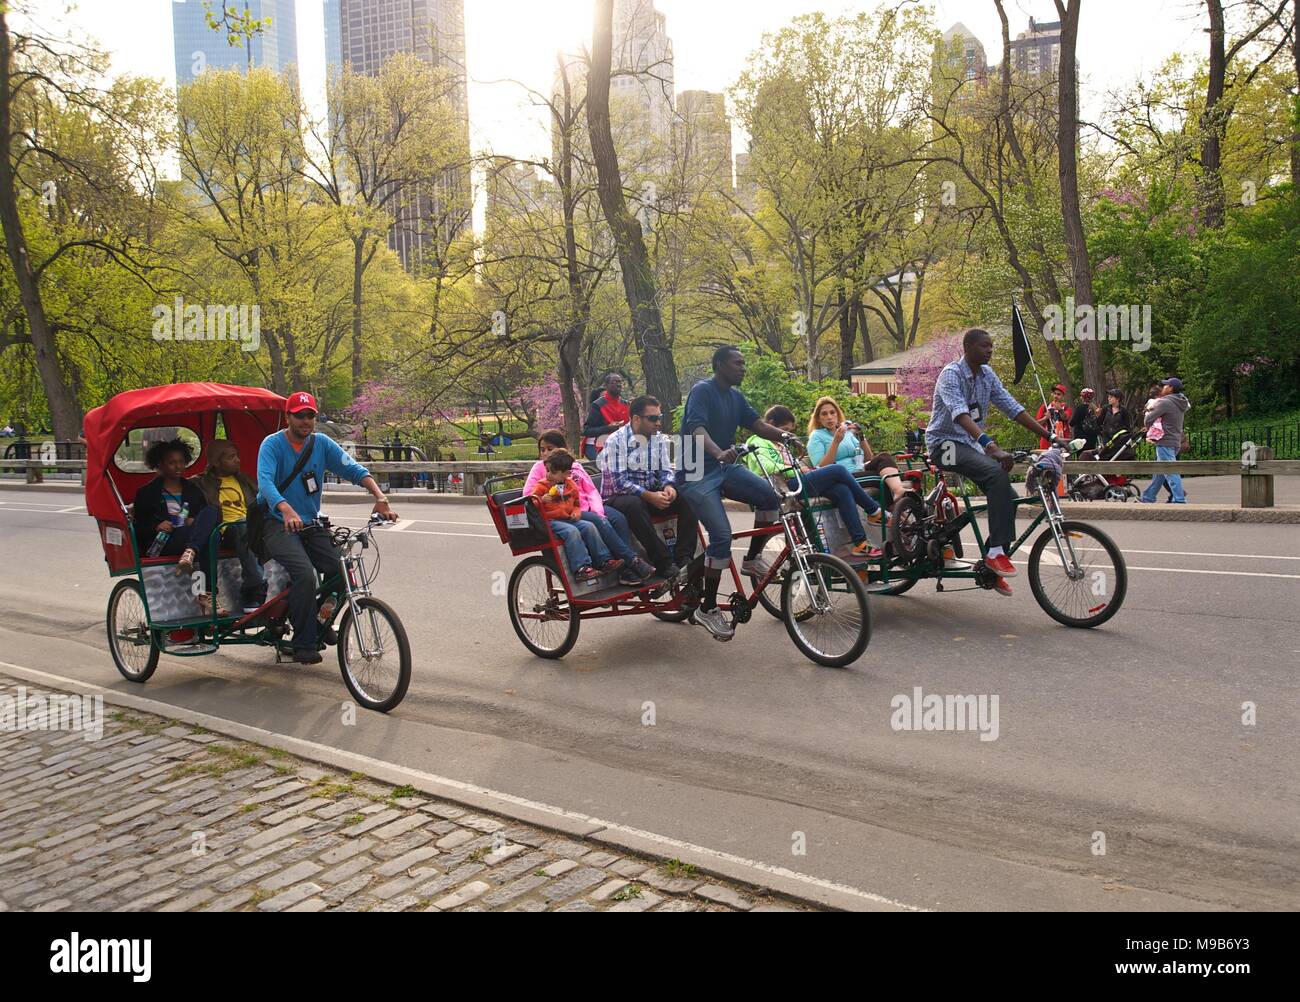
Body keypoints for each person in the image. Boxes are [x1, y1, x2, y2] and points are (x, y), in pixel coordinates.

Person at [257, 391, 397, 665]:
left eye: (310, 416)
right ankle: (304, 642)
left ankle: (321, 618)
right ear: (288, 417)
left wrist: (380, 497)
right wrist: (285, 509)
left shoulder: (321, 443)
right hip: (277, 524)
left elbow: (354, 470)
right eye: (299, 416)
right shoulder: (272, 445)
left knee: (341, 569)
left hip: (311, 523)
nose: (306, 421)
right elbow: (265, 482)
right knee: (305, 574)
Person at [925, 328, 1063, 598]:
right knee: (995, 474)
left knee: (1007, 496)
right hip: (945, 446)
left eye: (991, 347)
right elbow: (961, 415)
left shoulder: (988, 375)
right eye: (984, 346)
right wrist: (991, 446)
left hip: (971, 445)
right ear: (968, 348)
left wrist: (1051, 436)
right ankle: (997, 554)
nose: (989, 351)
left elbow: (1013, 408)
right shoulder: (951, 375)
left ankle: (992, 559)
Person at [676, 346, 796, 641]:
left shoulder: (735, 396)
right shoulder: (702, 391)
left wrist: (786, 436)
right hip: (696, 472)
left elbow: (756, 424)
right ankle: (707, 608)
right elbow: (696, 428)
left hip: (722, 466)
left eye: (744, 363)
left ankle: (752, 559)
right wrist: (718, 453)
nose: (742, 368)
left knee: (769, 498)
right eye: (737, 363)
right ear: (719, 365)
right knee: (721, 535)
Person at [744, 406, 882, 560]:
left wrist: (802, 468)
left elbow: (793, 464)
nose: (783, 435)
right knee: (837, 470)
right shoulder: (757, 441)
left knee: (842, 490)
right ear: (770, 424)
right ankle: (874, 511)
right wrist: (796, 470)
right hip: (782, 487)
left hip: (796, 482)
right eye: (783, 430)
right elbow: (768, 467)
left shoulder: (780, 444)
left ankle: (860, 543)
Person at [523, 430, 655, 586]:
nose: (545, 453)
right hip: (566, 511)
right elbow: (529, 495)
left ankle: (625, 568)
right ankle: (630, 563)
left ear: (562, 450)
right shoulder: (542, 469)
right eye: (542, 449)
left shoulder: (575, 467)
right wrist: (544, 497)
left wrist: (598, 509)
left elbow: (591, 490)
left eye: (550, 449)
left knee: (618, 519)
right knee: (598, 522)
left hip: (587, 506)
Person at [600, 395, 700, 580]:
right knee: (634, 504)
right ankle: (662, 562)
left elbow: (665, 469)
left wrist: (668, 486)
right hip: (618, 498)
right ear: (636, 419)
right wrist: (649, 495)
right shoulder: (616, 441)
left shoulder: (658, 439)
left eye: (659, 417)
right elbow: (619, 482)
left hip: (649, 493)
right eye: (652, 418)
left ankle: (684, 556)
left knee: (689, 494)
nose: (658, 423)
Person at [132, 437, 228, 617]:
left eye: (181, 462)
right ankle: (208, 593)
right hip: (163, 542)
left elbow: (205, 519)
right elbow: (138, 528)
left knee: (212, 513)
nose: (178, 467)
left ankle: (192, 555)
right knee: (207, 538)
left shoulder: (192, 490)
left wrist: (194, 520)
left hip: (190, 537)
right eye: (172, 463)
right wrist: (156, 526)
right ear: (160, 465)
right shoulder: (147, 493)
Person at [192, 439, 267, 614]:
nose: (237, 460)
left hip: (249, 529)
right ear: (217, 462)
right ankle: (254, 585)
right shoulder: (200, 483)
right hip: (223, 532)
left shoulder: (245, 480)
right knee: (241, 526)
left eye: (238, 456)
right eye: (231, 457)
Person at [531, 449, 622, 582]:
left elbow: (577, 503)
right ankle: (581, 568)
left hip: (567, 517)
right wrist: (540, 500)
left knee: (589, 526)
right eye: (548, 471)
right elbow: (531, 501)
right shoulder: (542, 485)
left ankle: (604, 560)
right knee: (572, 531)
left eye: (554, 472)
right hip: (550, 520)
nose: (549, 475)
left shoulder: (571, 485)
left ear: (567, 474)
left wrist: (576, 512)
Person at [806, 395, 908, 507]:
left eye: (832, 412)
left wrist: (861, 437)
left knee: (884, 457)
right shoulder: (816, 436)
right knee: (884, 479)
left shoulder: (846, 432)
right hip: (845, 476)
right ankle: (894, 513)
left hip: (860, 468)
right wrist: (836, 442)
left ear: (838, 414)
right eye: (824, 414)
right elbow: (821, 468)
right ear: (818, 418)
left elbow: (868, 458)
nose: (829, 417)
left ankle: (898, 492)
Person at [1140, 377, 1191, 504]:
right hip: (1175, 440)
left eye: (1166, 386)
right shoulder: (1181, 402)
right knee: (1160, 471)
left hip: (1165, 441)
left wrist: (1150, 429)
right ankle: (1148, 497)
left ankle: (1180, 499)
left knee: (1170, 471)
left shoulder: (1165, 402)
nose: (1163, 387)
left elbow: (1148, 419)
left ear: (1171, 388)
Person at [580, 373, 630, 460]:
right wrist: (608, 428)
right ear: (606, 385)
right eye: (614, 382)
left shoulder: (626, 404)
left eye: (620, 382)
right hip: (601, 447)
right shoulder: (598, 405)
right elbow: (587, 431)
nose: (618, 384)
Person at [1036, 384, 1072, 450]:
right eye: (1054, 393)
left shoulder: (1066, 407)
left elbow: (1065, 417)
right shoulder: (1045, 407)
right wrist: (1045, 418)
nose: (1056, 396)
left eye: (1059, 394)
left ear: (1063, 396)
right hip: (1046, 441)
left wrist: (1060, 410)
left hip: (1062, 441)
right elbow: (1036, 424)